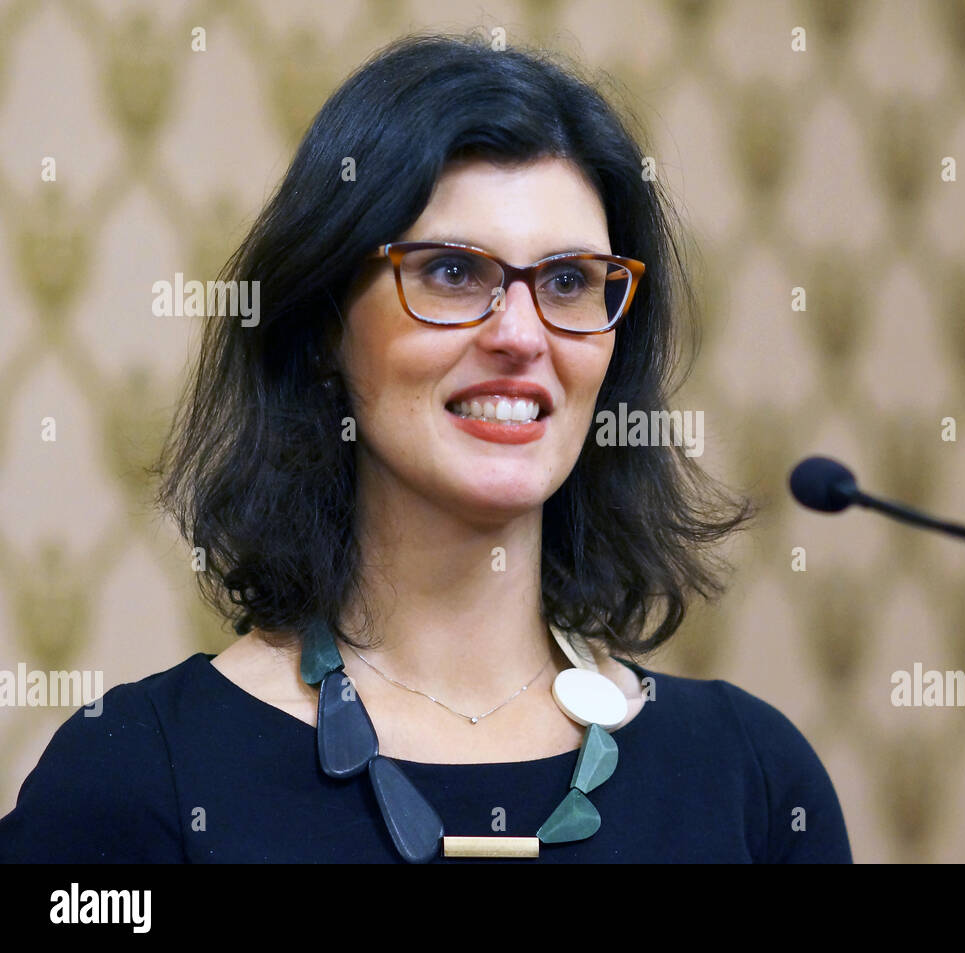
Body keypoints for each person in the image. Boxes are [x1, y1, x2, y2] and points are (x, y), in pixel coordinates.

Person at [0, 33, 852, 863]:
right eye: (452, 271)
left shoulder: (755, 782)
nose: (522, 334)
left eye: (568, 281)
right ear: (327, 324)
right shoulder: (132, 779)